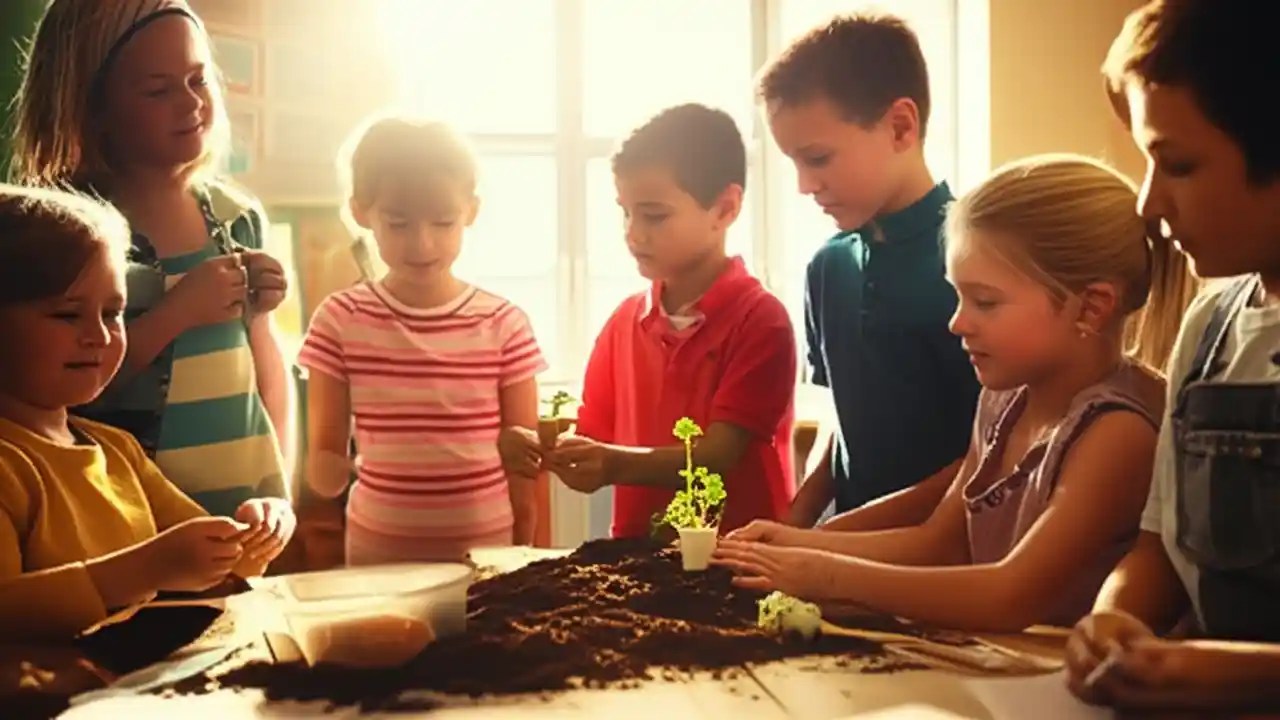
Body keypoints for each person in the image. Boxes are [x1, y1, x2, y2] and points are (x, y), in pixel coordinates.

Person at [715, 154, 1194, 632]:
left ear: (1091, 308)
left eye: (984, 302)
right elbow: (940, 543)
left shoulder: (1117, 433)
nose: (957, 322)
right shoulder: (1003, 401)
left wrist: (828, 575)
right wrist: (792, 543)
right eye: (958, 297)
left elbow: (1009, 596)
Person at [1066, 1, 1280, 712]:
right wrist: (1112, 621)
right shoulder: (1209, 324)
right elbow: (1158, 548)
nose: (1148, 204)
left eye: (1178, 165)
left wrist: (1238, 675)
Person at [12, 0, 294, 520]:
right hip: (134, 523)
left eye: (198, 80)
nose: (190, 103)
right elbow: (61, 393)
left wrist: (281, 489)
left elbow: (265, 362)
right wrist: (179, 312)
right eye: (158, 90)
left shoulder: (235, 217)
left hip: (244, 515)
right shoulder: (68, 235)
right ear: (93, 108)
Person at [0, 184, 292, 642]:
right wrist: (143, 571)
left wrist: (258, 532)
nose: (99, 336)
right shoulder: (9, 467)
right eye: (67, 315)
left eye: (113, 313)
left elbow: (215, 564)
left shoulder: (119, 451)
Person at [500, 104, 797, 538]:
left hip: (738, 557)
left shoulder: (761, 321)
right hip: (636, 556)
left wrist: (613, 464)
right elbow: (591, 438)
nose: (633, 232)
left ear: (725, 209)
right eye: (626, 212)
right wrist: (534, 448)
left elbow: (716, 457)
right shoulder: (623, 322)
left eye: (654, 215)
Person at [757, 13, 980, 529]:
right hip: (843, 554)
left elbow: (998, 450)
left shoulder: (981, 263)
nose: (804, 185)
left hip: (952, 558)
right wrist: (797, 520)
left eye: (818, 158)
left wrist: (843, 535)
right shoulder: (827, 267)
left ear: (901, 127)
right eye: (793, 162)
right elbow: (845, 422)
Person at [298, 116, 546, 564]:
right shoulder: (339, 320)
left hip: (484, 553)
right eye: (398, 224)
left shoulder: (504, 323)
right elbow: (324, 462)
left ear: (471, 211)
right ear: (361, 212)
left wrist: (522, 548)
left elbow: (522, 462)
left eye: (443, 223)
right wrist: (323, 472)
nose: (422, 244)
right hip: (378, 555)